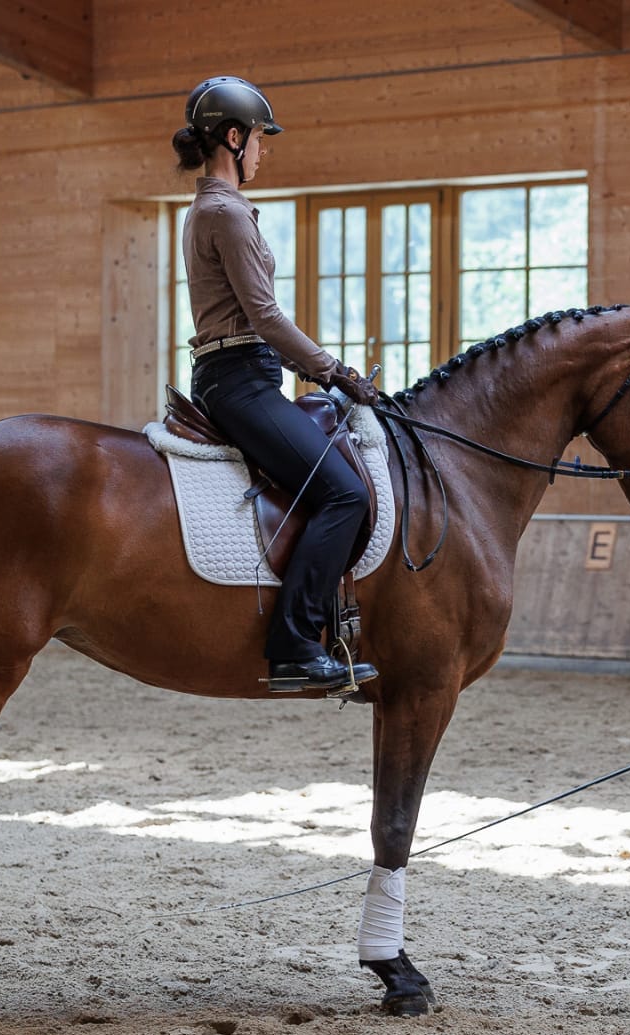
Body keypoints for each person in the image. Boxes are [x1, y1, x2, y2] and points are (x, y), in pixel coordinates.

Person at [172, 75, 381, 694]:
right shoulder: (223, 212)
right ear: (233, 139)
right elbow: (264, 317)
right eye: (260, 137)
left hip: (239, 374)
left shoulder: (214, 210)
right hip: (240, 379)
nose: (264, 149)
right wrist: (333, 371)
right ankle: (294, 645)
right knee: (345, 493)